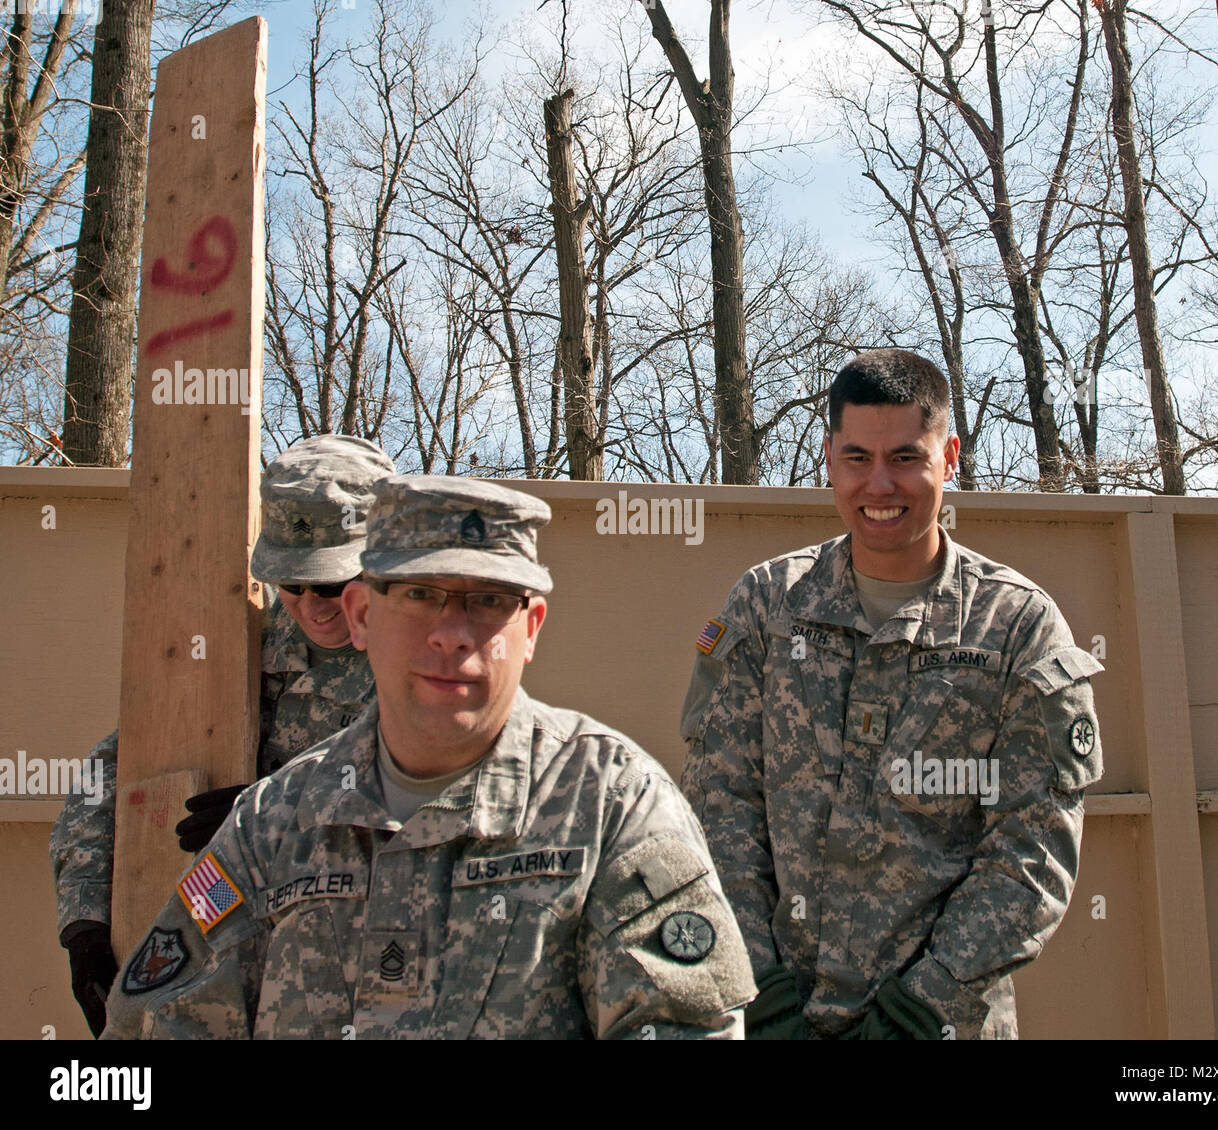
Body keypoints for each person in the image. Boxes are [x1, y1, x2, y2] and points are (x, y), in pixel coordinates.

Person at [101, 475, 755, 1039]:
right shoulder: (272, 823)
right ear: (361, 614)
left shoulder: (615, 804)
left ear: (530, 629)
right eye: (420, 594)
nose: (452, 634)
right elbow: (153, 1026)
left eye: (488, 600)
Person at [680, 348, 1104, 1040]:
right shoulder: (766, 606)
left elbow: (1032, 848)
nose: (879, 484)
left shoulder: (1015, 626)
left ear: (949, 456)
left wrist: (922, 1009)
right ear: (829, 458)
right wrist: (761, 996)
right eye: (857, 458)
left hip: (941, 1026)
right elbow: (717, 811)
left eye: (905, 458)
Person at [50, 434, 393, 1037]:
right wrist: (85, 924)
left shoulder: (428, 664)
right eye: (292, 584)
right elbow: (113, 769)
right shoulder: (241, 643)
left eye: (330, 585)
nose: (311, 607)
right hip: (230, 969)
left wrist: (276, 818)